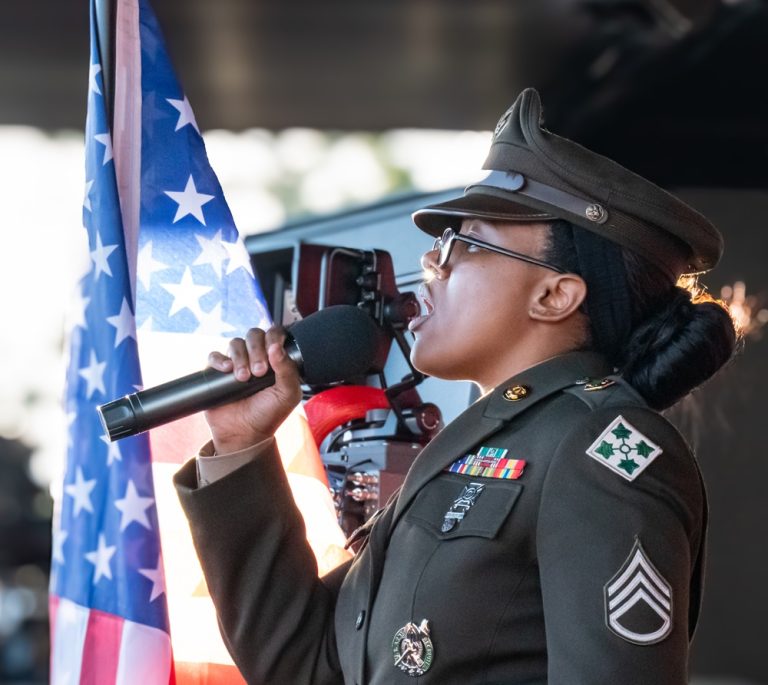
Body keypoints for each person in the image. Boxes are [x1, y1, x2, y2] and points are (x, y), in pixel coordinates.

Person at [173, 88, 738, 684]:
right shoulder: (473, 452)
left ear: (555, 296)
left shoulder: (596, 450)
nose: (432, 266)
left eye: (463, 244)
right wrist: (241, 447)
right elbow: (304, 665)